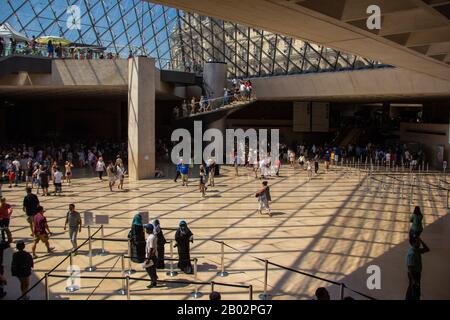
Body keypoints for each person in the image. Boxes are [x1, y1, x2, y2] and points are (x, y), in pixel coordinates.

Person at [143, 224, 158, 288]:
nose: (146, 230)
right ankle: (154, 278)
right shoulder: (152, 236)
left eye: (146, 229)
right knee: (152, 269)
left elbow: (151, 248)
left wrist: (148, 258)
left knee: (149, 269)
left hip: (152, 256)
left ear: (149, 230)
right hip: (152, 255)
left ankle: (153, 281)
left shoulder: (151, 237)